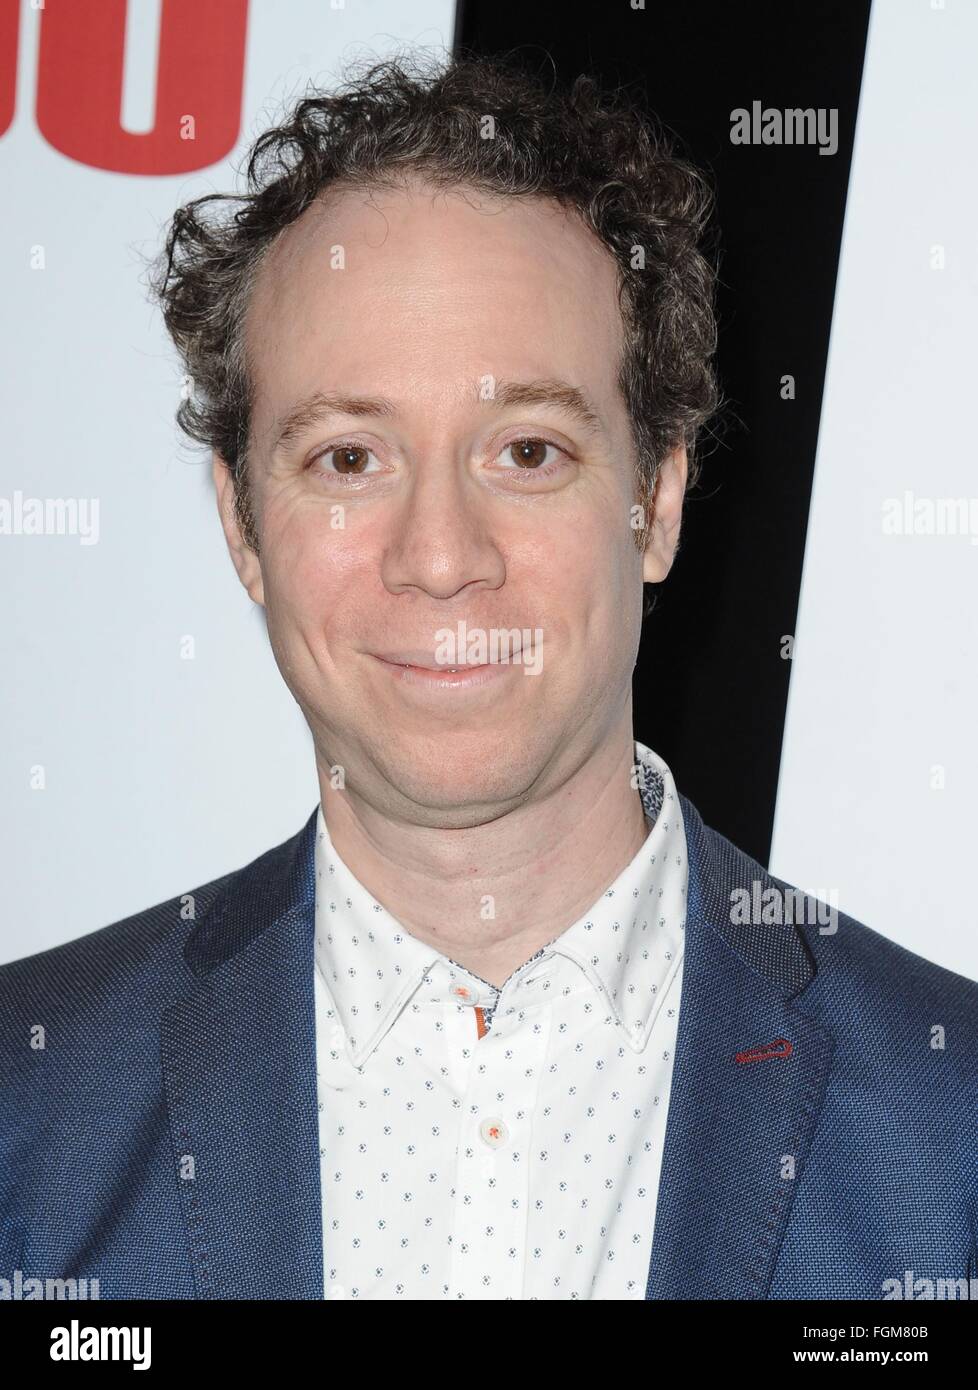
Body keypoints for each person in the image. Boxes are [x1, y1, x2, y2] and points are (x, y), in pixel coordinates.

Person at [2, 50, 976, 1303]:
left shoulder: (949, 1138)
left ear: (658, 498)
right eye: (350, 458)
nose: (441, 557)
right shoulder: (30, 1113)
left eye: (527, 448)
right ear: (243, 525)